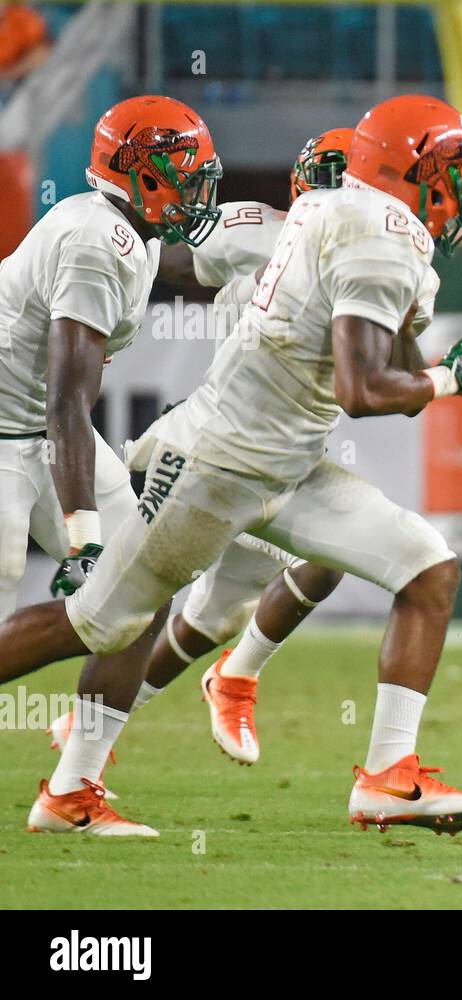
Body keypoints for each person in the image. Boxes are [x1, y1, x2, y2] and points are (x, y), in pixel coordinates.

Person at [1, 94, 462, 839]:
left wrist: (421, 350)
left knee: (430, 570)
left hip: (289, 465)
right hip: (216, 462)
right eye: (451, 174)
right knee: (102, 621)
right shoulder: (373, 234)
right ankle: (81, 784)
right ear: (412, 172)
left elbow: (388, 369)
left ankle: (387, 777)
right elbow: (367, 391)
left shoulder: (341, 223)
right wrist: (454, 378)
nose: (461, 194)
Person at [46, 129, 369, 769]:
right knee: (132, 601)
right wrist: (93, 294)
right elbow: (159, 258)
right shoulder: (254, 232)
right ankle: (235, 681)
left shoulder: (380, 262)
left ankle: (89, 735)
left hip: (281, 461)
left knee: (203, 621)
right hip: (217, 449)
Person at [0, 95, 222, 834]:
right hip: (9, 433)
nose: (195, 187)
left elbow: (193, 267)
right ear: (140, 170)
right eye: (183, 171)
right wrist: (84, 537)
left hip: (35, 424)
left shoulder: (130, 226)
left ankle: (71, 793)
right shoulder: (96, 241)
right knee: (96, 574)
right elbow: (69, 403)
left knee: (144, 581)